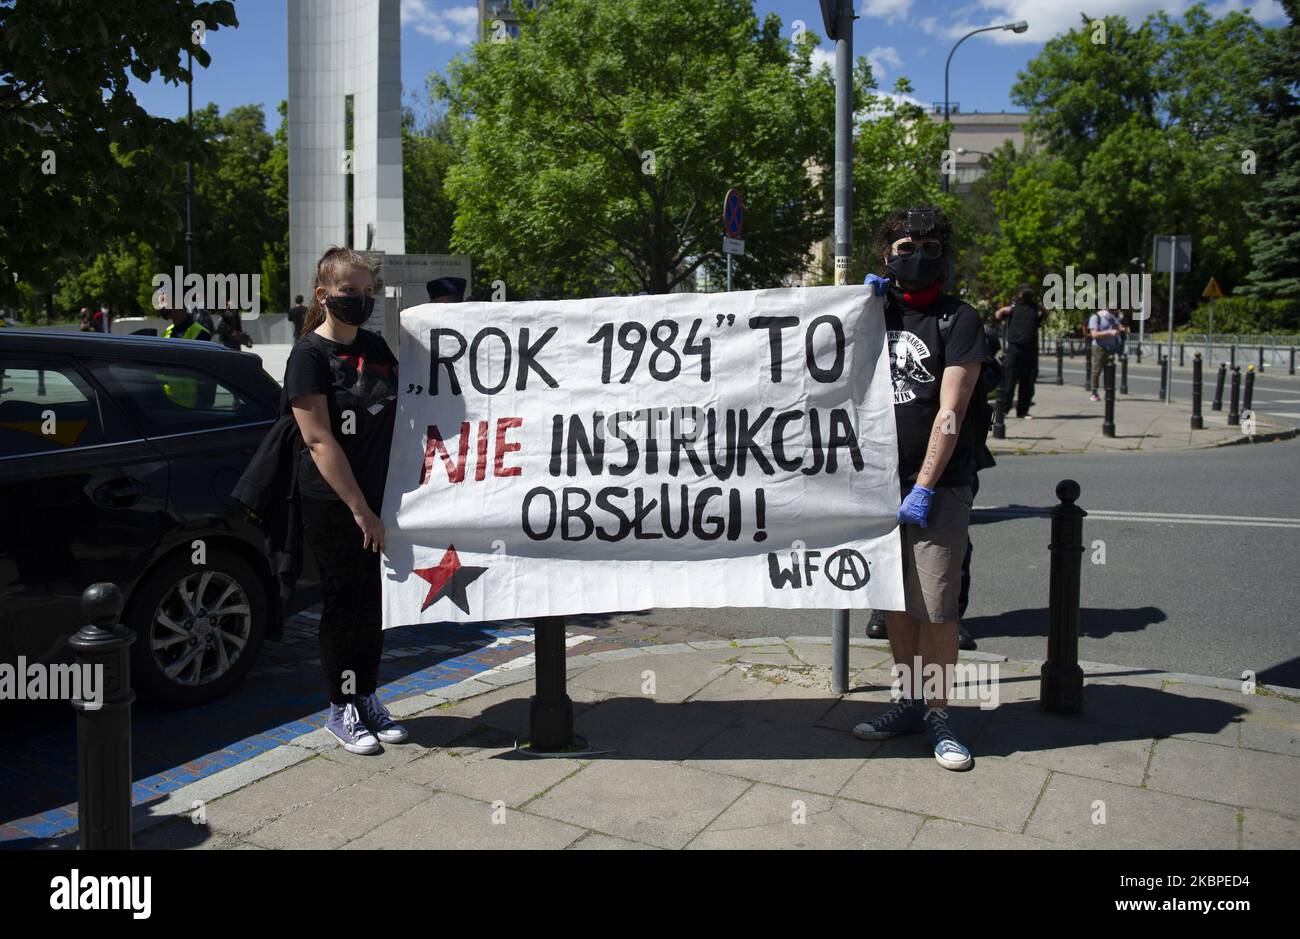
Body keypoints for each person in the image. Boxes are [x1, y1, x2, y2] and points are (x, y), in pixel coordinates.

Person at [854, 206, 983, 771]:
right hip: (873, 486)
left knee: (935, 609)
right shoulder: (870, 312)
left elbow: (950, 412)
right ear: (887, 255)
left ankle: (939, 714)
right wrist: (852, 306)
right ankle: (907, 701)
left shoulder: (961, 321)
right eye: (907, 246)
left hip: (936, 487)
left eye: (930, 247)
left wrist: (925, 485)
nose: (918, 257)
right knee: (896, 606)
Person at [285, 245, 406, 755]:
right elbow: (319, 441)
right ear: (324, 294)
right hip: (337, 502)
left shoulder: (377, 346)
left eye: (366, 291)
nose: (359, 300)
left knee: (374, 602)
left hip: (380, 497)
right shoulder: (308, 356)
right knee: (343, 601)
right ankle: (342, 707)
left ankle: (369, 695)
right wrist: (360, 509)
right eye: (348, 292)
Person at [994, 284, 1046, 419]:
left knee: (1028, 382)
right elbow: (998, 315)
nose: (1028, 296)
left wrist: (1044, 311)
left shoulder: (1035, 308)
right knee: (1009, 380)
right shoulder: (1013, 307)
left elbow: (1042, 319)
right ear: (1019, 294)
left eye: (1030, 294)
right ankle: (1004, 409)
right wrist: (1004, 310)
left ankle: (1023, 411)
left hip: (1031, 350)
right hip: (1014, 349)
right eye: (1025, 294)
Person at [1088, 307, 1128, 401]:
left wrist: (1121, 328)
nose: (1112, 311)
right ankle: (1094, 393)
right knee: (1097, 370)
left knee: (1109, 371)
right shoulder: (1095, 317)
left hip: (1110, 347)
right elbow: (1094, 334)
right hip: (1099, 347)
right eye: (1110, 309)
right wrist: (1109, 332)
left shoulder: (1112, 318)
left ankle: (1108, 393)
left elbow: (1118, 328)